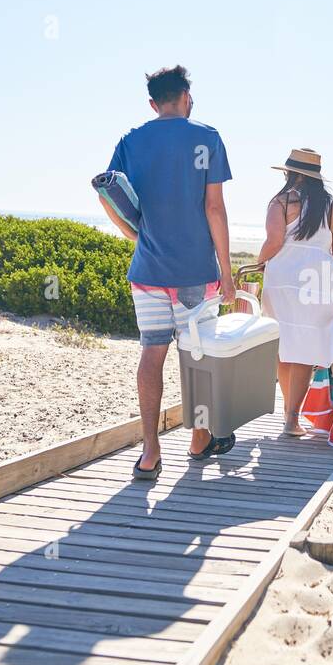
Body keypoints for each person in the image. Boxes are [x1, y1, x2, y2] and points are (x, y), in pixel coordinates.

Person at [98, 65, 237, 481]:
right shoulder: (207, 138)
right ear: (187, 97)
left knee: (151, 352)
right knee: (195, 355)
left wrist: (136, 235)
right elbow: (214, 208)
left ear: (153, 103)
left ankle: (150, 454)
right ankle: (198, 440)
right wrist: (226, 273)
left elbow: (109, 196)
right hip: (194, 269)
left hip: (147, 270)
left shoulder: (131, 140)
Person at [256, 148, 333, 438]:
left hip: (283, 278)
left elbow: (274, 241)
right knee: (303, 349)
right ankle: (291, 417)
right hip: (319, 282)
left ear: (292, 173)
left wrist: (260, 262)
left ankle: (289, 414)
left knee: (284, 344)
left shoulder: (281, 201)